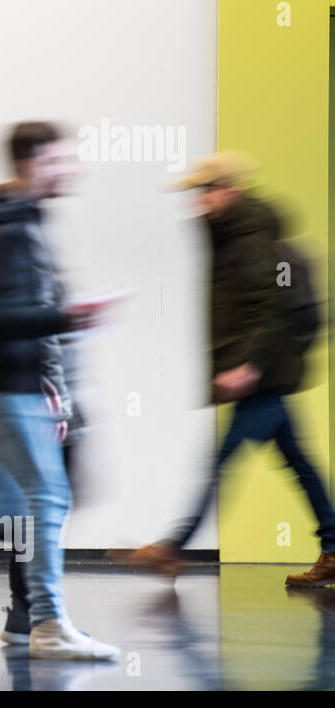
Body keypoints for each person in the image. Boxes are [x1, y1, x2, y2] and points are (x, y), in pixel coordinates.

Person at [126, 151, 335, 585]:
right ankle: (333, 547)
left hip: (262, 372)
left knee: (220, 461)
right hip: (261, 371)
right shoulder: (230, 235)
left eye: (204, 191)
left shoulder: (251, 236)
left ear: (229, 191)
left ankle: (173, 545)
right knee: (299, 461)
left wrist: (248, 365)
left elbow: (270, 308)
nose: (197, 201)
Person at [0, 121, 118, 659]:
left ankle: (27, 620)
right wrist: (70, 316)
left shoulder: (28, 220)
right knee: (44, 499)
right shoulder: (3, 227)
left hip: (28, 385)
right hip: (8, 386)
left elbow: (30, 318)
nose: (68, 170)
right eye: (57, 160)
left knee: (26, 503)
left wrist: (59, 387)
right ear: (30, 163)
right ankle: (46, 625)